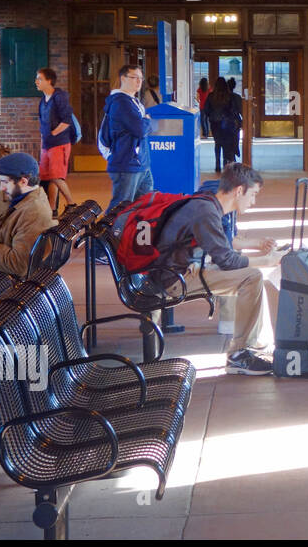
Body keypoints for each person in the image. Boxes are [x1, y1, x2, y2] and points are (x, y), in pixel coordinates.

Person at [153, 163, 279, 375]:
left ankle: (251, 346)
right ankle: (240, 354)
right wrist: (266, 261)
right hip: (175, 279)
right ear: (239, 191)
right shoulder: (206, 211)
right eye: (253, 194)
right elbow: (227, 260)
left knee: (251, 275)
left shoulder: (207, 205)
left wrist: (259, 251)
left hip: (178, 271)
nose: (254, 201)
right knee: (252, 277)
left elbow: (223, 250)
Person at [0, 152, 57, 278]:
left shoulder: (33, 213)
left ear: (23, 181)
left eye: (5, 182)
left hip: (0, 279)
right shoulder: (28, 199)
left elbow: (19, 265)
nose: (2, 188)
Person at [103, 64, 154, 211]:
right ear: (123, 78)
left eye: (140, 78)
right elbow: (140, 130)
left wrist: (144, 121)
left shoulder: (134, 102)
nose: (138, 82)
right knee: (119, 208)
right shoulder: (121, 103)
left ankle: (133, 233)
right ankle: (108, 233)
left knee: (145, 206)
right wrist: (147, 120)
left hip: (141, 163)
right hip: (126, 163)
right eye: (134, 78)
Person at [35, 67, 76, 216]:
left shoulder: (59, 96)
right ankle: (53, 210)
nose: (36, 81)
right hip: (47, 145)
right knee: (47, 177)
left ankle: (71, 204)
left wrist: (52, 134)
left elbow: (67, 120)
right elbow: (42, 124)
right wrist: (43, 143)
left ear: (49, 81)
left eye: (40, 79)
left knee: (55, 176)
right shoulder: (42, 100)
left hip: (59, 143)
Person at [206, 77, 241, 173]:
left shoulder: (211, 96)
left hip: (215, 123)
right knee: (227, 144)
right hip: (227, 124)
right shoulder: (230, 96)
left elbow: (206, 110)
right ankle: (226, 164)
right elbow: (234, 110)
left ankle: (217, 165)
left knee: (217, 143)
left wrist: (212, 116)